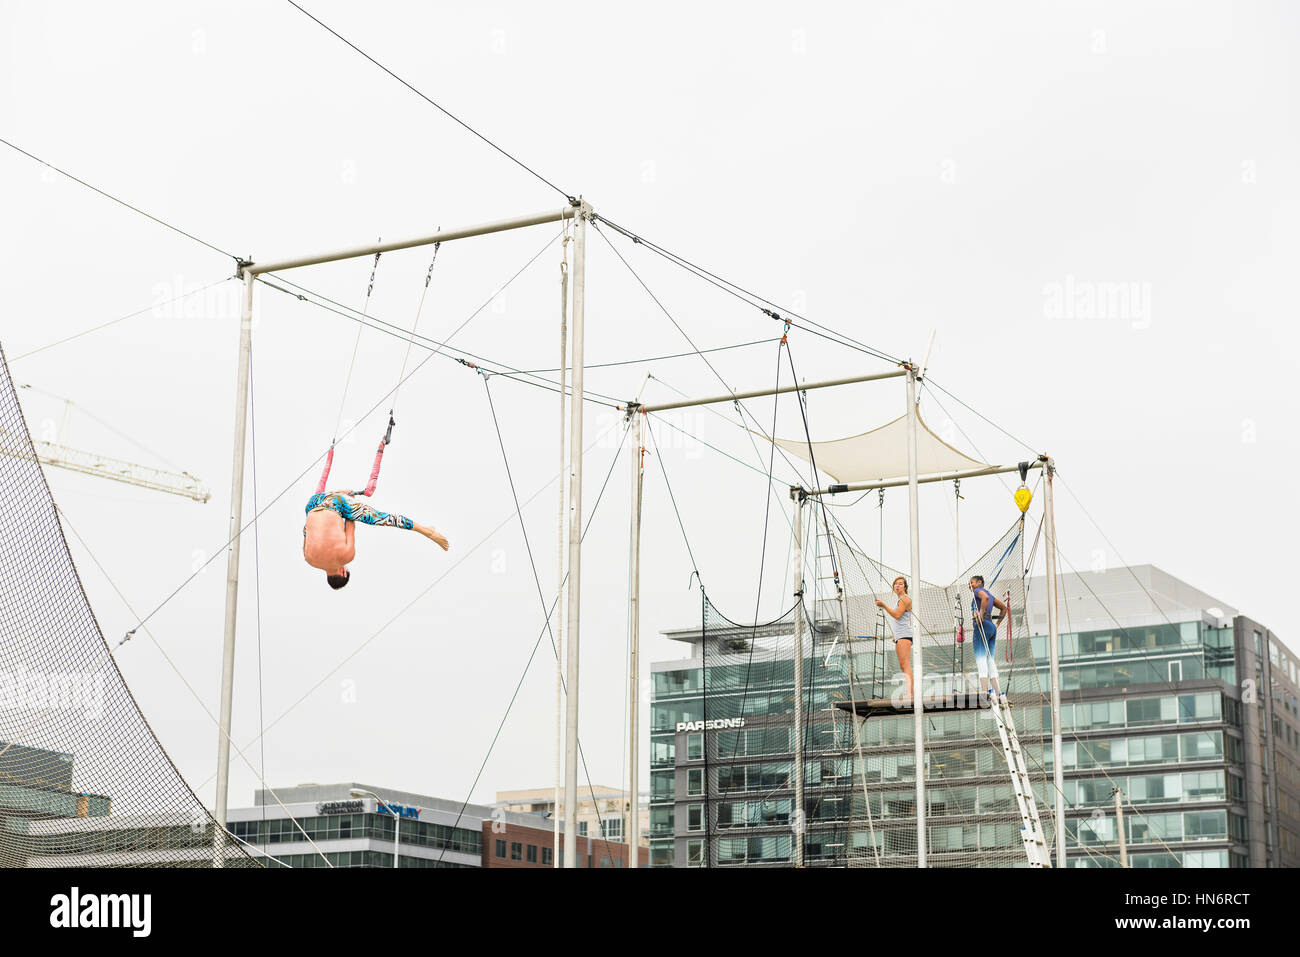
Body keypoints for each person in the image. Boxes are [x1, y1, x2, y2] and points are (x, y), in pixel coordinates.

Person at [303, 440, 449, 589]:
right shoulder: (309, 559)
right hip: (313, 503)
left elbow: (350, 522)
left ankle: (426, 531)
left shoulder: (346, 556)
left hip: (335, 504)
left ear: (343, 573)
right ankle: (334, 494)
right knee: (327, 505)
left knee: (379, 518)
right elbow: (307, 529)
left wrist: (349, 500)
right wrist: (336, 498)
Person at [969, 574, 1010, 704]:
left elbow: (985, 598)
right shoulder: (990, 595)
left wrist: (980, 616)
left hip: (982, 626)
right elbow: (1004, 608)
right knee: (990, 660)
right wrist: (996, 625)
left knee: (981, 659)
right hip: (991, 627)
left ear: (979, 582)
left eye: (972, 582)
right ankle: (998, 693)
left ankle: (985, 691)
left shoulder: (978, 592)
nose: (970, 586)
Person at [876, 576, 915, 704]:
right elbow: (903, 618)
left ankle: (910, 693)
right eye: (895, 584)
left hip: (905, 635)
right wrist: (896, 636)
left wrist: (884, 605)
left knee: (905, 664)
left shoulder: (905, 599)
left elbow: (898, 615)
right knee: (902, 665)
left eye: (900, 584)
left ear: (905, 587)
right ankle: (909, 692)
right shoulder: (900, 600)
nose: (897, 586)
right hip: (900, 636)